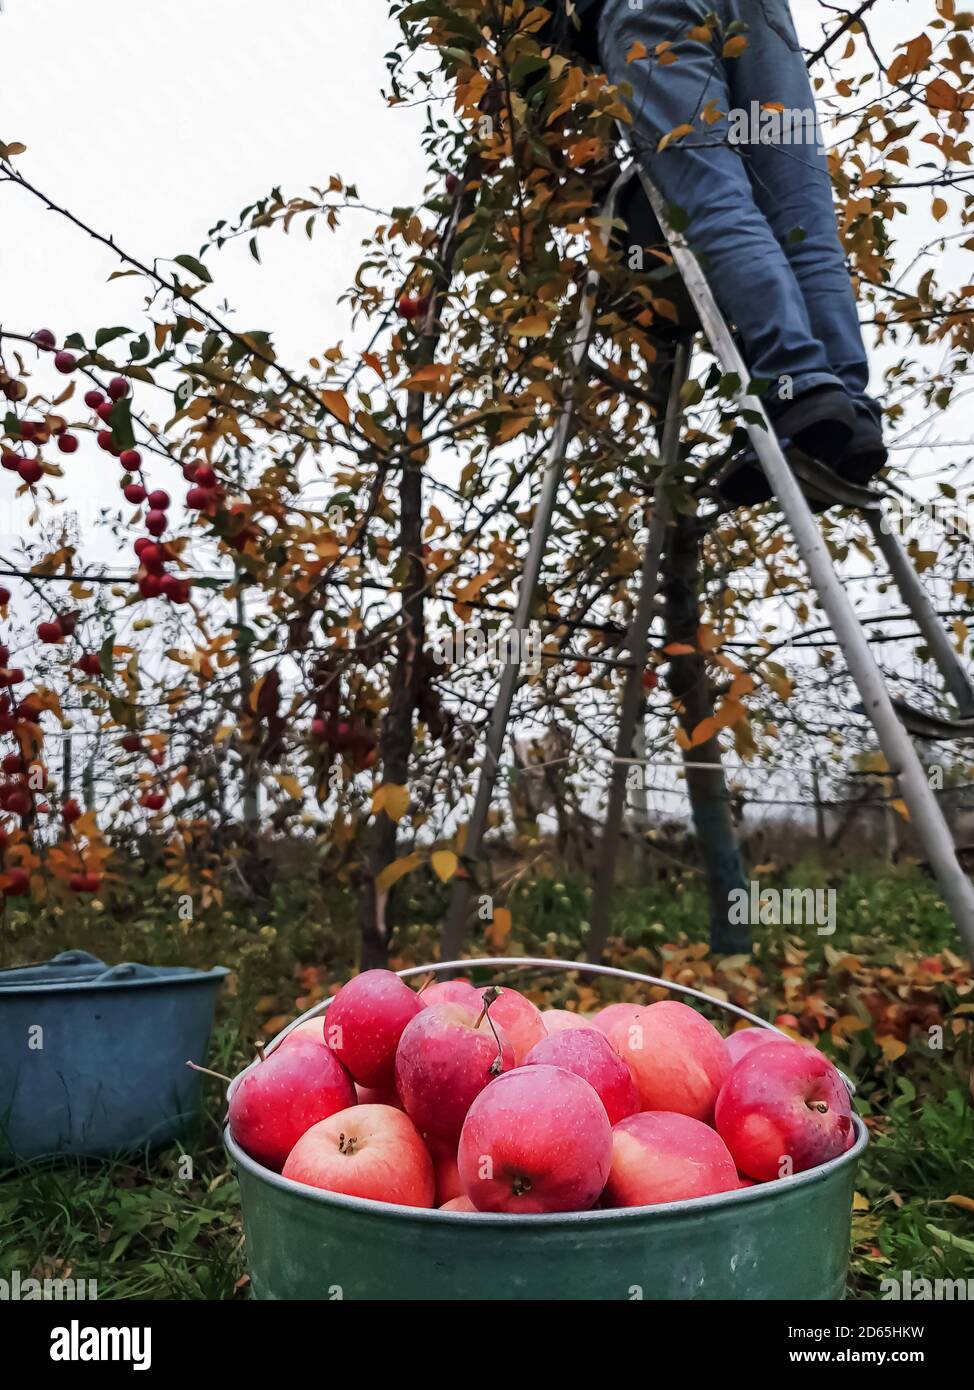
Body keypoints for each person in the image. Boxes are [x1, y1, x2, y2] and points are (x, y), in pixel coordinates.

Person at [549, 0, 886, 504]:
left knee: (714, 198)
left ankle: (794, 384)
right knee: (802, 219)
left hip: (654, 12)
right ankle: (847, 409)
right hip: (761, 15)